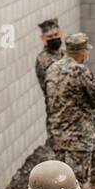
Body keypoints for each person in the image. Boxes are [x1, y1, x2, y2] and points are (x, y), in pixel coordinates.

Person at [44, 32, 95, 189]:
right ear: (82, 52)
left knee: (61, 177)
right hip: (79, 136)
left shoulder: (52, 69)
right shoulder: (80, 71)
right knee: (76, 184)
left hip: (57, 134)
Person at [35, 17, 63, 150]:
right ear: (43, 39)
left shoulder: (65, 54)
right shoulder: (43, 59)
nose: (54, 38)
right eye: (50, 36)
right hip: (57, 111)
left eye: (56, 35)